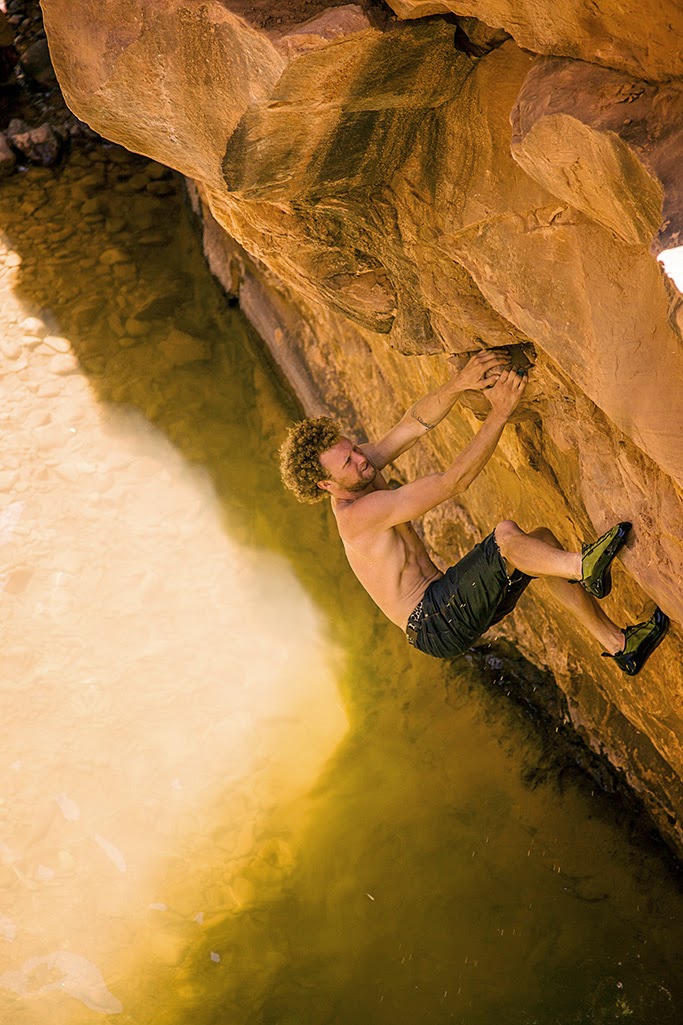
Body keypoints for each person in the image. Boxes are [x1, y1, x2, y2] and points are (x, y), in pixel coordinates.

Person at [279, 350, 668, 676]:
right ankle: (585, 567)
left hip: (443, 602)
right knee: (506, 539)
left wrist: (460, 382)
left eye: (353, 448)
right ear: (326, 486)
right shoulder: (357, 515)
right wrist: (500, 411)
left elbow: (411, 426)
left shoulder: (357, 472)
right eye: (348, 461)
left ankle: (620, 645)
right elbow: (452, 482)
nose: (362, 458)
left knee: (540, 546)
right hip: (434, 622)